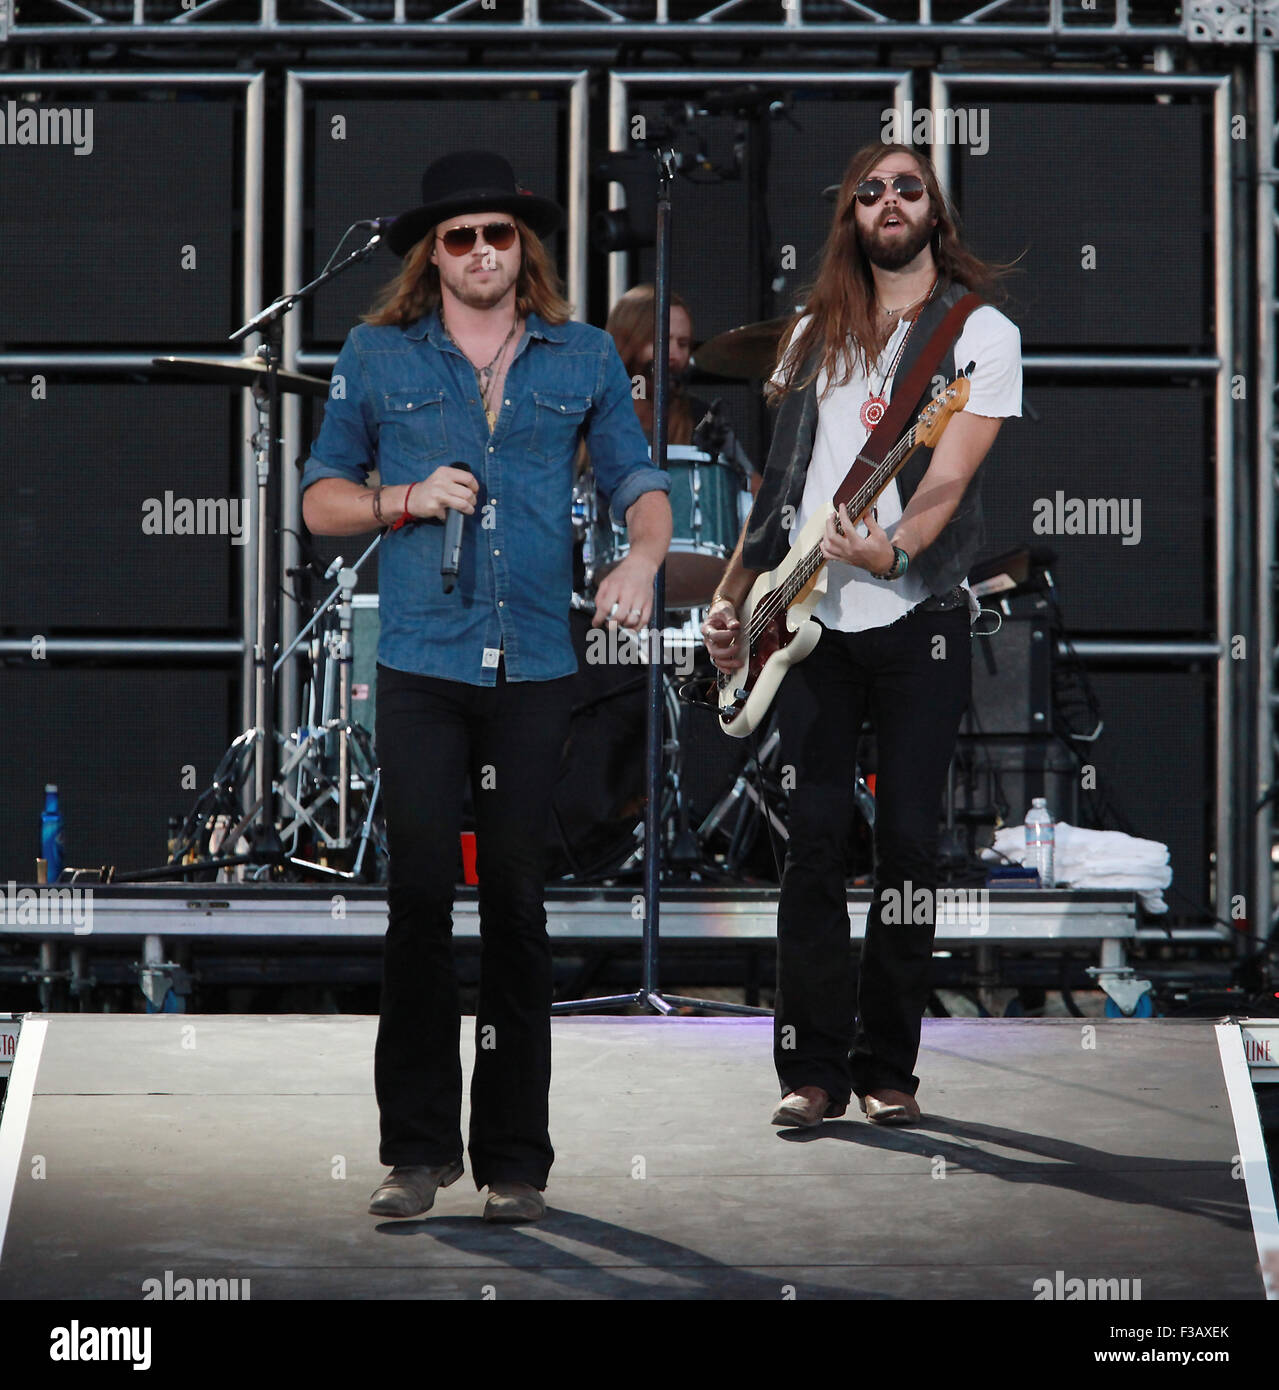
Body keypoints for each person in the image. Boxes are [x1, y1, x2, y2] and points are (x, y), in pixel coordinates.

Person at [301, 151, 672, 1222]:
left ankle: (514, 1158)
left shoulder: (585, 354)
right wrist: (405, 496)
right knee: (418, 895)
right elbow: (323, 497)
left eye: (496, 235)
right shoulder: (377, 354)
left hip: (537, 669)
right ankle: (415, 1151)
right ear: (433, 252)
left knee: (516, 901)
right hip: (422, 659)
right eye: (458, 237)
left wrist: (641, 560)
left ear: (523, 248)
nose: (478, 252)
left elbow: (640, 480)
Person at [701, 141, 1022, 1129]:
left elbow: (946, 486)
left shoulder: (980, 335)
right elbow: (778, 491)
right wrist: (732, 602)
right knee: (811, 842)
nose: (887, 199)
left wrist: (889, 553)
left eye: (906, 187)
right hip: (810, 628)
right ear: (850, 217)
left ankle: (890, 1066)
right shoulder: (810, 337)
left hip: (917, 616)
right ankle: (810, 1071)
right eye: (868, 190)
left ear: (935, 212)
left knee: (912, 844)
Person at [603, 284, 758, 495]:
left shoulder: (701, 419)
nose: (674, 354)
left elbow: (755, 489)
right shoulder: (593, 413)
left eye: (683, 344)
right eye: (663, 340)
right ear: (628, 344)